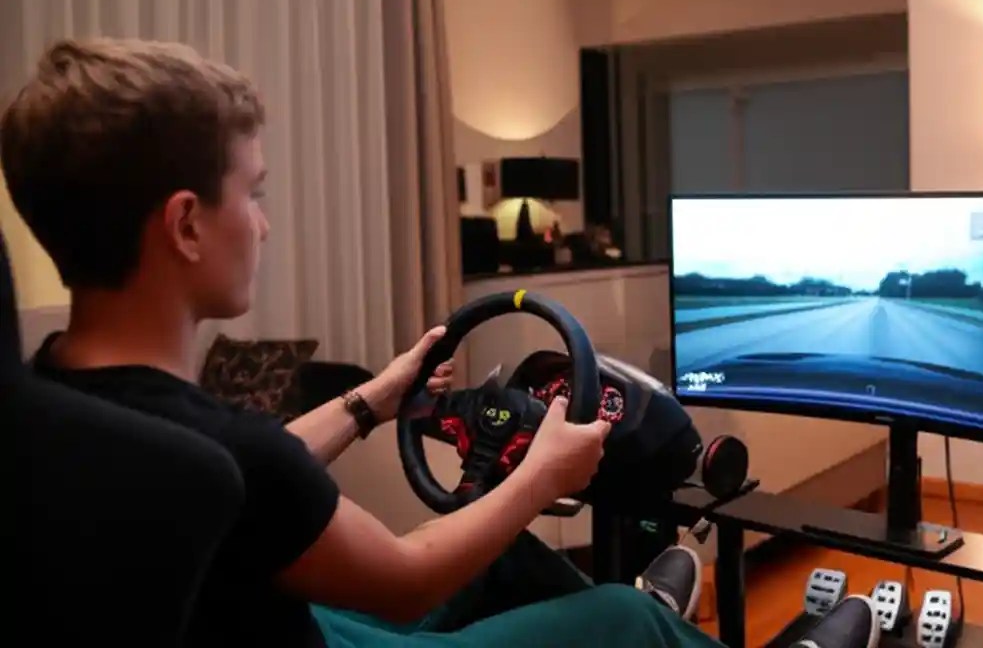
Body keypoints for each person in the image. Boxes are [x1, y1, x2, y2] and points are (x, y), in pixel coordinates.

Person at [1, 38, 869, 648]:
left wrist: (372, 401)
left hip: (270, 616)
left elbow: (241, 481)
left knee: (504, 564)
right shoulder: (228, 451)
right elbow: (409, 574)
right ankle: (663, 625)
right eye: (253, 194)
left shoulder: (62, 402)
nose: (263, 227)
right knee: (621, 620)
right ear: (187, 224)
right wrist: (543, 474)